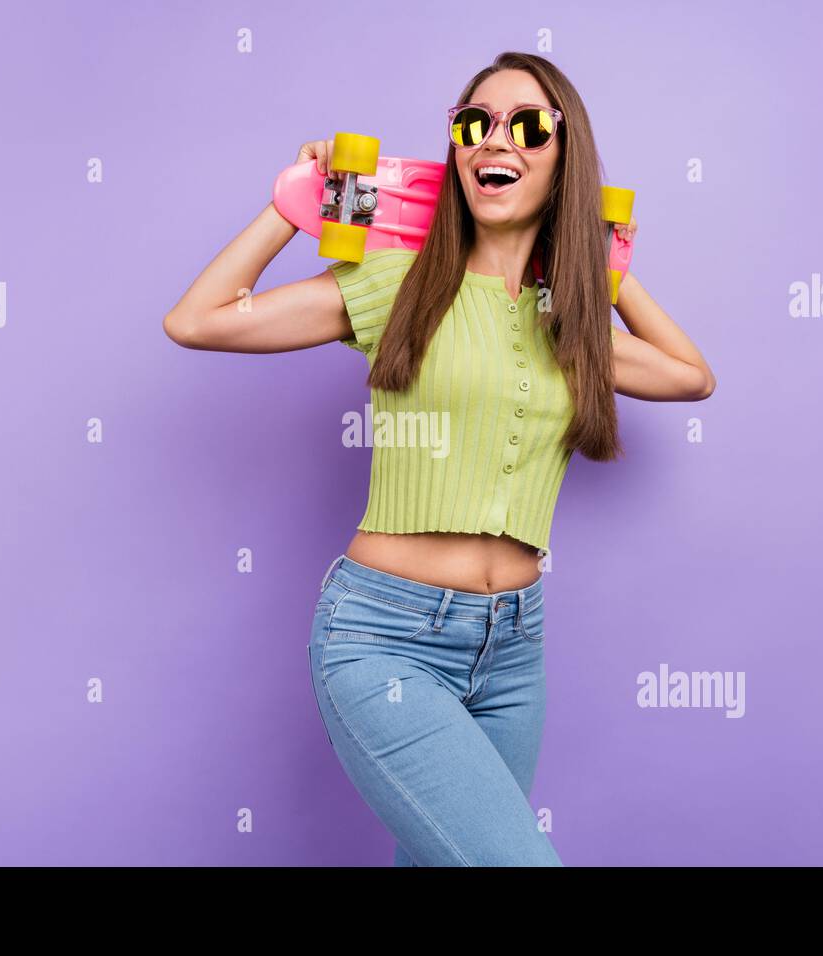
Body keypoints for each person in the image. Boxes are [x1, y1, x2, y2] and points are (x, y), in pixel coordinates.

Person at [163, 51, 716, 865]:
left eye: (529, 127)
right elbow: (198, 319)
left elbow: (690, 376)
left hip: (513, 652)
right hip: (383, 638)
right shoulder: (398, 284)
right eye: (474, 124)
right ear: (456, 150)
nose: (498, 140)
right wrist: (295, 205)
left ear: (568, 160)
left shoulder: (569, 326)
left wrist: (602, 263)